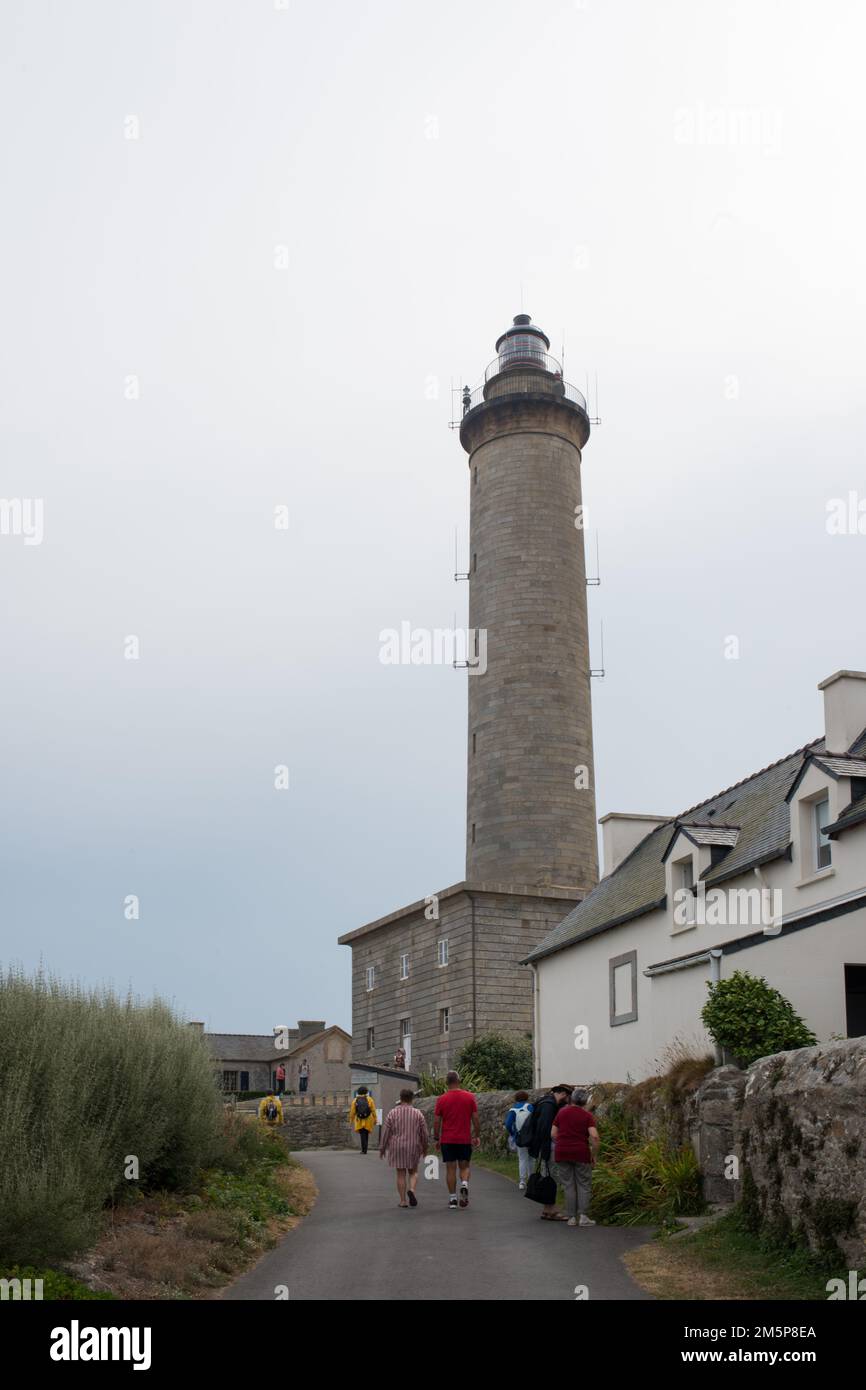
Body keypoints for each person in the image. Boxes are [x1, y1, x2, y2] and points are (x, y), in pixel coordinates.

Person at [551, 1088, 600, 1227]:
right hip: (580, 1152)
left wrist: (562, 1142)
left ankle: (571, 1218)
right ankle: (583, 1216)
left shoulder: (561, 1112)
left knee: (568, 1185)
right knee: (583, 1184)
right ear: (585, 1101)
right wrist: (594, 1155)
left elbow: (553, 1133)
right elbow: (595, 1137)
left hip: (561, 1152)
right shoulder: (587, 1115)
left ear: (572, 1099)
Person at [433, 1070, 479, 1210]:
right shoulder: (470, 1097)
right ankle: (464, 1183)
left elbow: (436, 1121)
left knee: (450, 1169)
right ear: (459, 1081)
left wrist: (436, 1138)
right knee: (464, 1166)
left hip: (448, 1139)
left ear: (447, 1083)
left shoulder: (441, 1099)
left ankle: (453, 1199)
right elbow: (476, 1119)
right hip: (464, 1139)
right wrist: (476, 1135)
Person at [527, 1083, 572, 1220]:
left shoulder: (546, 1102)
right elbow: (545, 1129)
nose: (568, 1101)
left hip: (543, 1147)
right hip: (547, 1148)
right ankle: (552, 1211)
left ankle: (547, 1210)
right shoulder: (549, 1106)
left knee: (548, 1178)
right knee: (551, 1179)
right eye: (568, 1098)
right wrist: (547, 1149)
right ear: (564, 1094)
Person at [379, 1088, 428, 1207]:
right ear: (412, 1099)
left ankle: (403, 1201)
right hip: (413, 1146)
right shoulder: (418, 1113)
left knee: (400, 1174)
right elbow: (424, 1133)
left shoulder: (392, 1113)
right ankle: (411, 1189)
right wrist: (425, 1147)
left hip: (397, 1147)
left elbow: (386, 1132)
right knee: (413, 1172)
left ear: (400, 1098)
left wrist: (382, 1148)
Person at [504, 1090, 534, 1190]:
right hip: (531, 1137)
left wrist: (513, 1134)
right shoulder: (530, 1107)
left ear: (516, 1098)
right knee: (531, 1159)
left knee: (522, 1159)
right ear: (526, 1098)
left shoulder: (513, 1109)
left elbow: (508, 1124)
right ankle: (531, 1180)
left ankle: (522, 1182)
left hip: (520, 1137)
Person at [349, 1086, 377, 1153]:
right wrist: (375, 1119)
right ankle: (365, 1149)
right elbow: (373, 1110)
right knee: (366, 1133)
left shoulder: (355, 1100)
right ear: (366, 1092)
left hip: (359, 1120)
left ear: (358, 1092)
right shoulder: (370, 1099)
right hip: (368, 1119)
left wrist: (351, 1120)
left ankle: (363, 1150)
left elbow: (352, 1112)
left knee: (362, 1134)